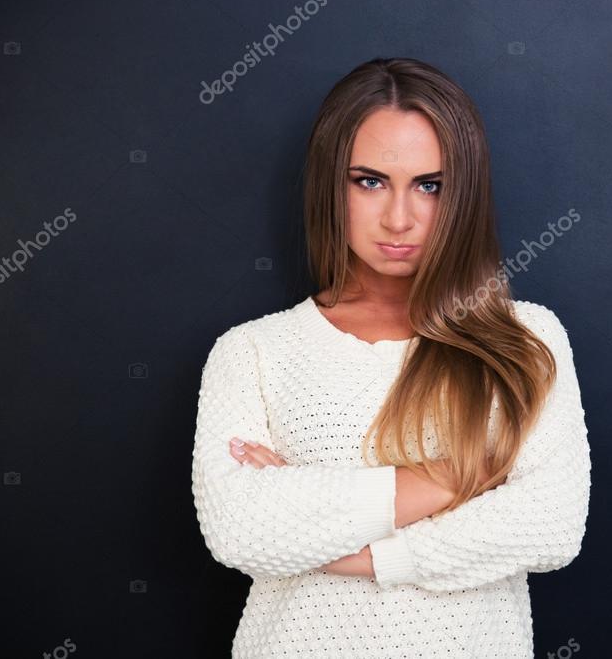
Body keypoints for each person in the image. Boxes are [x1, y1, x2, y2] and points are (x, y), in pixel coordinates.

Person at [191, 57, 591, 658]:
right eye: (369, 180)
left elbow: (549, 525)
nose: (400, 218)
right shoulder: (252, 351)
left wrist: (352, 545)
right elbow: (240, 529)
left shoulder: (525, 338)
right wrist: (457, 477)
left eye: (430, 185)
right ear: (332, 184)